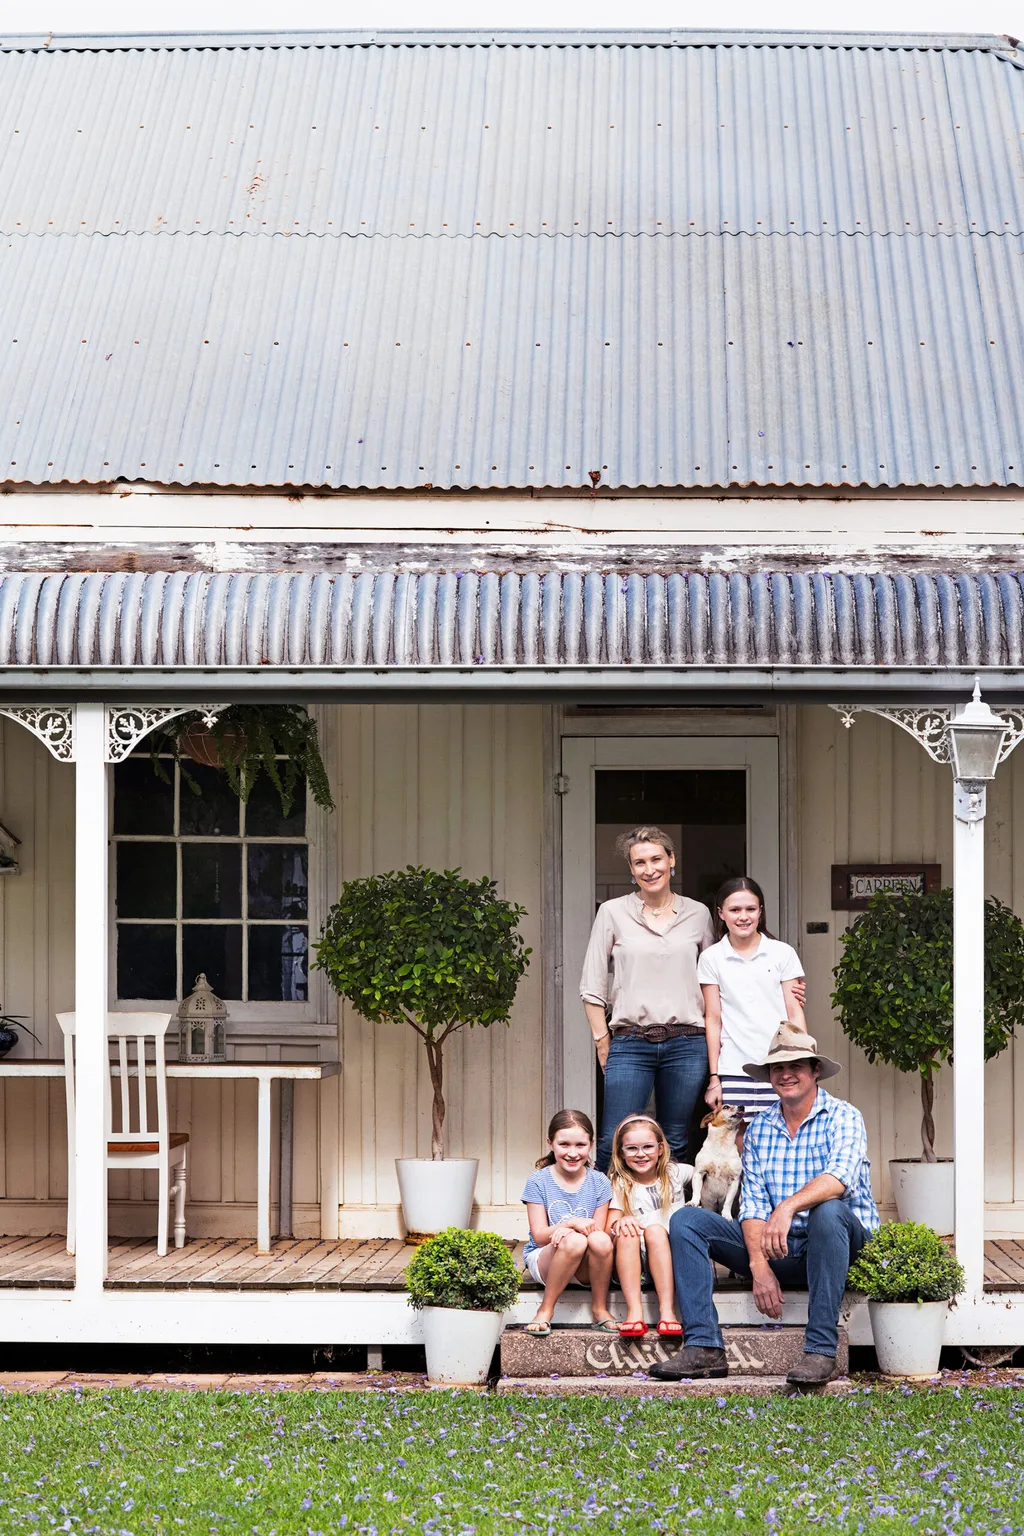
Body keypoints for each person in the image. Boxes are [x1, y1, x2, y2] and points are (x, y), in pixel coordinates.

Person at [649, 1022, 879, 1387]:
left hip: (836, 1248)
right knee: (688, 1220)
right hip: (778, 1250)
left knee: (828, 1210)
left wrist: (786, 1208)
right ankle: (704, 1347)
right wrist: (758, 1265)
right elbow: (753, 1205)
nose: (786, 1075)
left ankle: (820, 1350)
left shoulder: (844, 1116)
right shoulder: (758, 1129)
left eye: (796, 1066)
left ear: (815, 1070)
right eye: (777, 1068)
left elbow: (838, 1180)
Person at [580, 825, 715, 1171]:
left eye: (657, 858)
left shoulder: (698, 914)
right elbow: (592, 984)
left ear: (672, 861)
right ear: (631, 869)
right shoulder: (612, 912)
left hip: (688, 1041)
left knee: (675, 1138)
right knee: (616, 1135)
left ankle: (672, 1220)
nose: (649, 868)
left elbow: (716, 979)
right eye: (640, 862)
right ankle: (606, 1220)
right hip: (630, 1041)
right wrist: (601, 1040)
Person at [698, 876, 807, 1120]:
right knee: (737, 1147)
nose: (743, 916)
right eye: (735, 910)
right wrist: (715, 1077)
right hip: (734, 1067)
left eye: (750, 909)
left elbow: (795, 1012)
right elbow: (713, 1019)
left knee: (783, 1138)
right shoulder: (711, 958)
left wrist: (803, 1064)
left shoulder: (782, 953)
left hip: (780, 1065)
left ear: (760, 912)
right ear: (721, 913)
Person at [520, 1108, 616, 1338]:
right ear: (550, 1143)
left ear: (590, 1145)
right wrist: (571, 1223)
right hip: (546, 1257)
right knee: (573, 1241)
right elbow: (541, 1235)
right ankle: (545, 1309)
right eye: (564, 1144)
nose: (573, 1153)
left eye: (580, 1145)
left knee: (600, 1240)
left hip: (584, 1264)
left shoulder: (599, 1182)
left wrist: (577, 1231)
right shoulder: (538, 1181)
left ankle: (600, 1308)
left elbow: (597, 1233)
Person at [607, 1113, 691, 1339]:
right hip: (634, 1264)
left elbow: (709, 1171)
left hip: (671, 1257)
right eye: (632, 1148)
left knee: (655, 1230)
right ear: (621, 1153)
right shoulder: (621, 1183)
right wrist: (621, 1220)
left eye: (648, 1147)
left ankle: (667, 1311)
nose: (641, 1154)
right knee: (625, 1233)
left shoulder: (675, 1173)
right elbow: (608, 1227)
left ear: (661, 1148)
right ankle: (634, 1310)